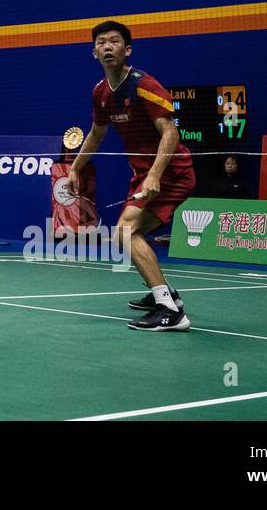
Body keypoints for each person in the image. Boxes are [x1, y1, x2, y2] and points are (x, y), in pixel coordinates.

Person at [66, 20, 195, 332]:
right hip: (144, 175)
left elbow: (170, 133)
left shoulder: (143, 85)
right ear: (94, 52)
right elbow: (97, 134)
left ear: (127, 49)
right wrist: (74, 168)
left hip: (171, 172)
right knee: (127, 234)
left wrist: (154, 175)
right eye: (101, 42)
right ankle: (166, 297)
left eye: (114, 41)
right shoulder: (100, 93)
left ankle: (168, 309)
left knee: (125, 230)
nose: (107, 47)